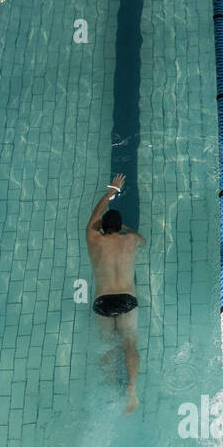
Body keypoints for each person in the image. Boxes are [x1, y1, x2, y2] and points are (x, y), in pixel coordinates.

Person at [86, 174, 145, 414]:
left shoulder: (93, 238)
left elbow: (94, 218)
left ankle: (110, 389)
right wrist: (127, 229)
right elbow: (144, 241)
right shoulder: (131, 240)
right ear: (120, 228)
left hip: (103, 303)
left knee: (108, 347)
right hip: (127, 301)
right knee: (129, 344)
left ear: (102, 227)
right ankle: (131, 389)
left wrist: (112, 189)